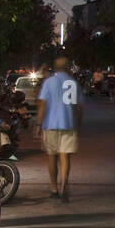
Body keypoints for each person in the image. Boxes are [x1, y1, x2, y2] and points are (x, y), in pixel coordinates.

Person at [38, 55, 80, 202]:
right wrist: (78, 124)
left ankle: (54, 188)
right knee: (65, 155)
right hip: (68, 123)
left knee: (52, 156)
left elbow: (43, 104)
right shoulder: (72, 83)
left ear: (55, 67)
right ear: (68, 67)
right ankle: (65, 182)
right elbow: (77, 107)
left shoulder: (49, 82)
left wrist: (38, 124)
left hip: (50, 124)